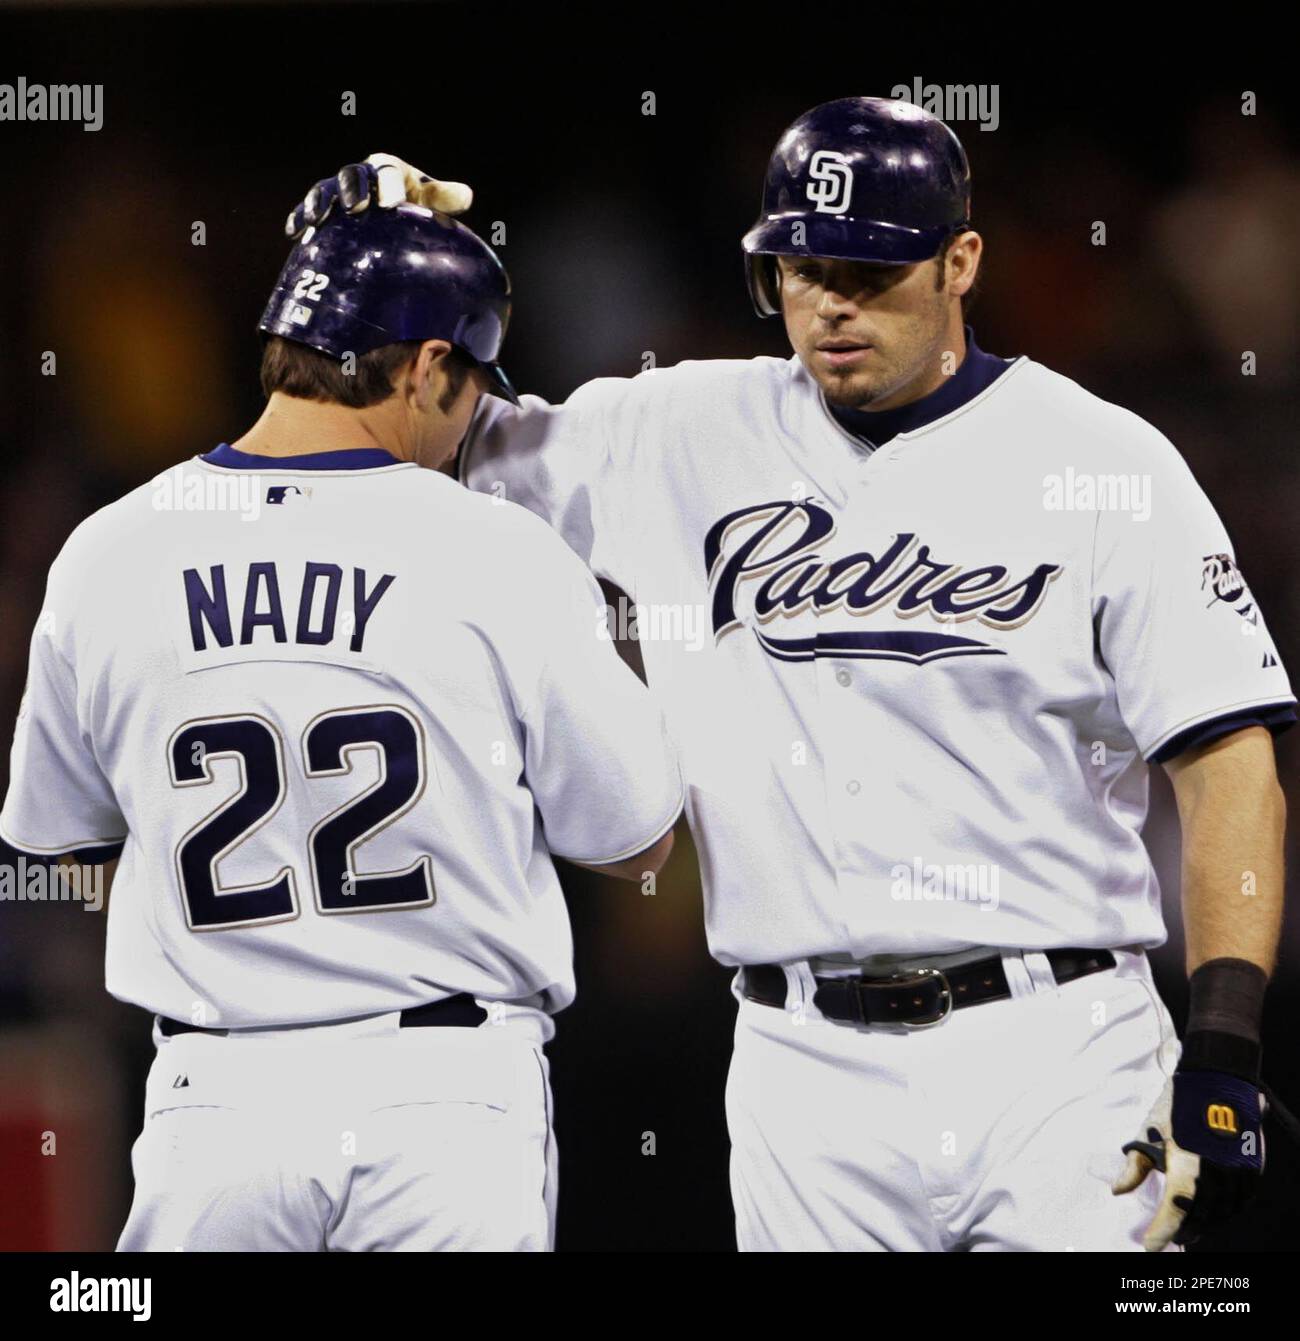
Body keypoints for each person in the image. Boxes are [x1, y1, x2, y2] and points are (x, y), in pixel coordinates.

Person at [285, 98, 1294, 1251]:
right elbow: (402, 434)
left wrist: (1221, 1045)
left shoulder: (1101, 462)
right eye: (801, 268)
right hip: (797, 1065)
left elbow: (1228, 764)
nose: (829, 302)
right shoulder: (676, 430)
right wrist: (354, 289)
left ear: (960, 261)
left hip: (1057, 1049)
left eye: (867, 269)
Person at [0, 201, 681, 1252]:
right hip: (442, 1100)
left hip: (213, 1097)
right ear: (424, 368)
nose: (470, 428)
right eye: (470, 393)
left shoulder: (107, 552)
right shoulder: (495, 551)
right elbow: (634, 839)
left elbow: (69, 847)